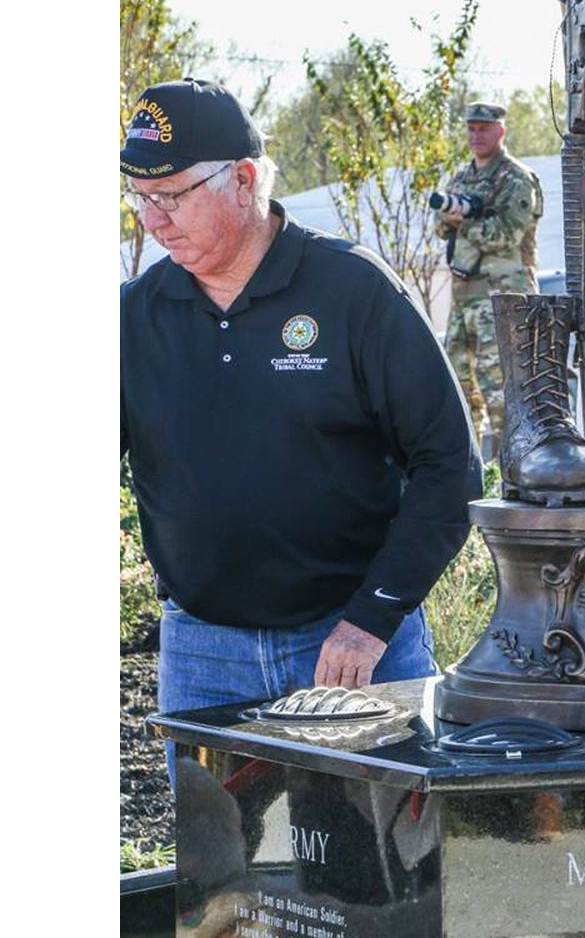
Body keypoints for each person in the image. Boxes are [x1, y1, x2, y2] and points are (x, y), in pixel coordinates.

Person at [120, 78, 482, 741]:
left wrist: (373, 618)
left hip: (353, 648)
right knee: (219, 848)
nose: (153, 219)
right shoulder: (134, 317)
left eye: (171, 194)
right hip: (203, 656)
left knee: (384, 845)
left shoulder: (354, 292)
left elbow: (449, 465)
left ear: (245, 178)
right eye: (139, 196)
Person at [438, 101, 544, 451]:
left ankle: (513, 467)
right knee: (457, 385)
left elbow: (508, 233)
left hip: (502, 298)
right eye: (471, 127)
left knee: (504, 391)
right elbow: (441, 227)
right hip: (464, 296)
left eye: (484, 128)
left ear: (501, 130)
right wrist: (453, 218)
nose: (476, 134)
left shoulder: (517, 177)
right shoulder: (460, 177)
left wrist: (464, 222)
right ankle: (472, 470)